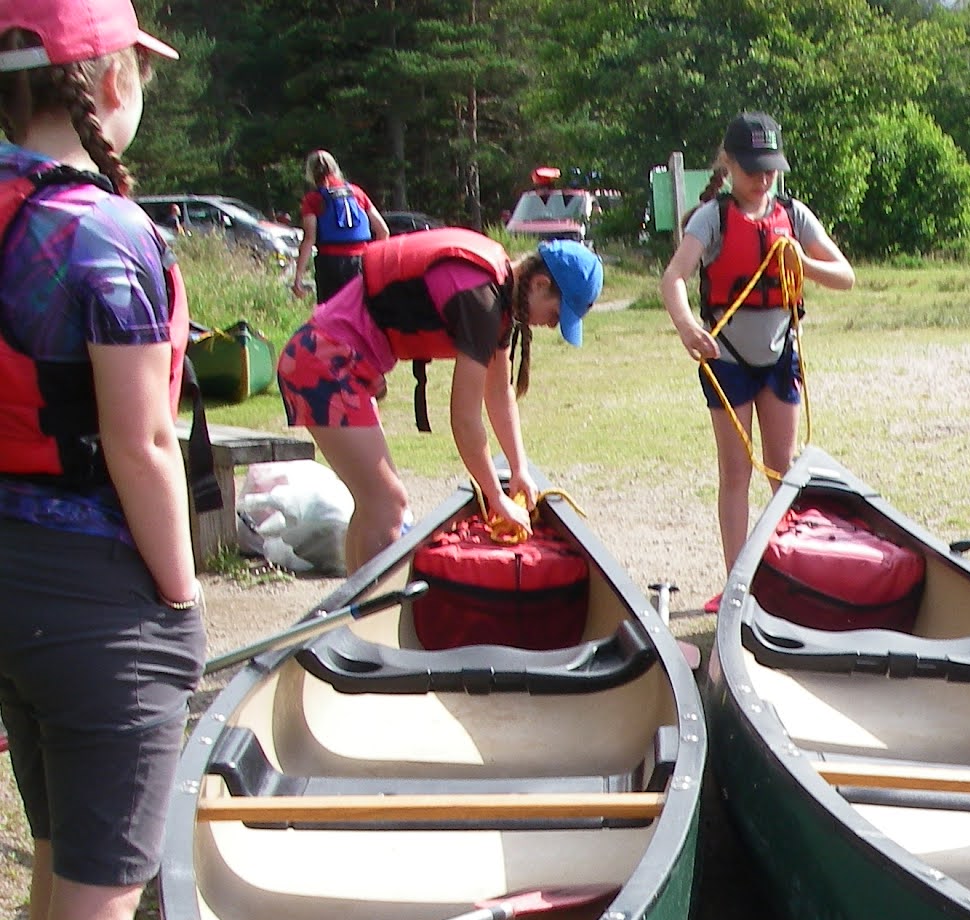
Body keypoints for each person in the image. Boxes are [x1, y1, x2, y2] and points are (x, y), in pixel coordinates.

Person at [0, 0, 201, 920]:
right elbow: (144, 447)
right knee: (98, 876)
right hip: (89, 585)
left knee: (61, 839)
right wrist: (179, 601)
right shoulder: (104, 236)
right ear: (104, 77)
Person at [275, 230, 603, 572]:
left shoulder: (501, 298)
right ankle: (368, 617)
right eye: (555, 314)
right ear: (538, 284)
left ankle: (357, 608)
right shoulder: (482, 302)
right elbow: (464, 418)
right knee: (387, 504)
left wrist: (518, 468)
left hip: (330, 360)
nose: (551, 325)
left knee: (375, 503)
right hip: (322, 361)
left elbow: (498, 392)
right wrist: (496, 497)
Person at [661, 112, 855, 604]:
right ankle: (736, 584)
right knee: (735, 472)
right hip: (726, 358)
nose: (762, 178)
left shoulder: (794, 214)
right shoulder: (713, 217)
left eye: (769, 168)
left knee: (782, 468)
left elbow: (845, 275)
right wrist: (688, 327)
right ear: (728, 164)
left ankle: (791, 573)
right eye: (752, 169)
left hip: (779, 355)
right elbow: (675, 278)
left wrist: (802, 262)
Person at [292, 148, 389, 303]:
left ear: (310, 172)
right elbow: (383, 231)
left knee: (331, 316)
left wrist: (298, 277)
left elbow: (309, 239)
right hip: (360, 263)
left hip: (330, 264)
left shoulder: (313, 199)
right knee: (360, 312)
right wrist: (376, 265)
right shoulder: (357, 193)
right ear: (335, 168)